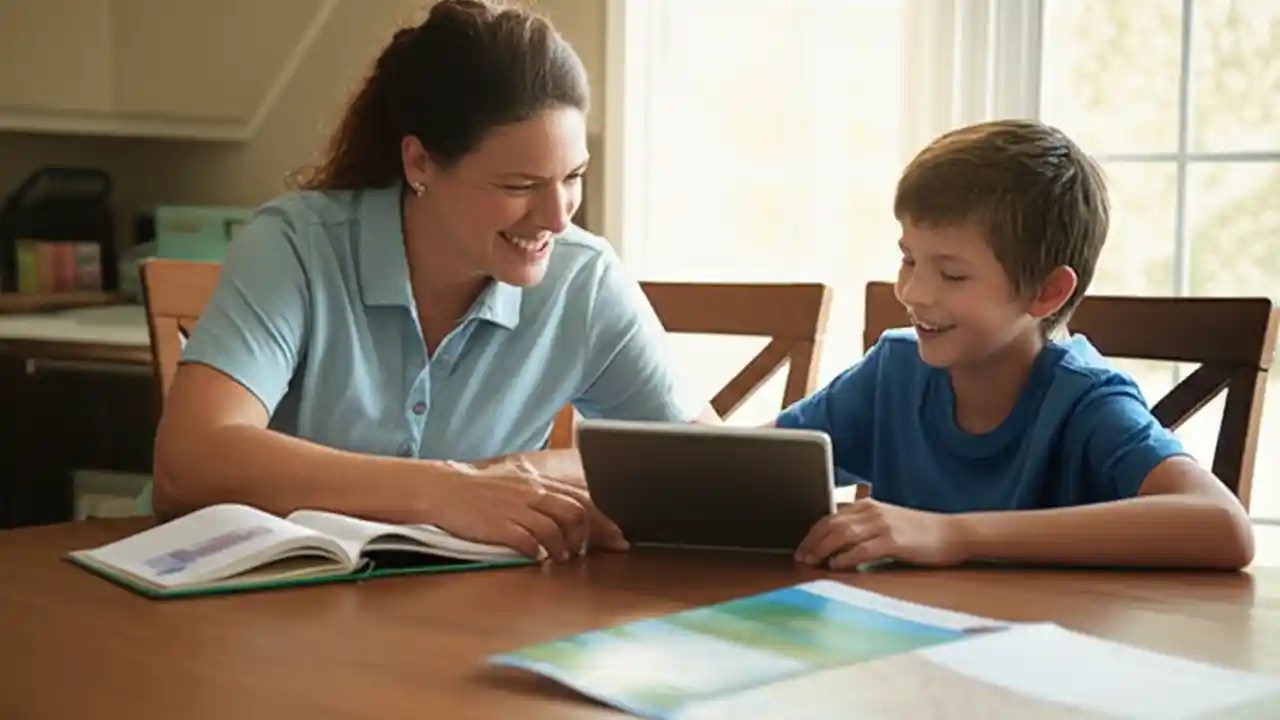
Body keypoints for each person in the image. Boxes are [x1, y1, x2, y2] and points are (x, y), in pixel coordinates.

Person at [151, 0, 714, 562]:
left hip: (465, 618)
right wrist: (449, 491)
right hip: (243, 607)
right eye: (519, 185)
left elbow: (711, 463)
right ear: (419, 163)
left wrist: (528, 472)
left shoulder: (583, 281)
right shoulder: (295, 246)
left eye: (574, 177)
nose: (558, 216)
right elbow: (191, 461)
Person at [780, 119, 1254, 571]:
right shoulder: (893, 372)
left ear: (1046, 293)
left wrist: (954, 536)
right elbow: (755, 462)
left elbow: (1225, 527)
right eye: (908, 260)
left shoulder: (1085, 400)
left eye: (952, 274)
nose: (912, 292)